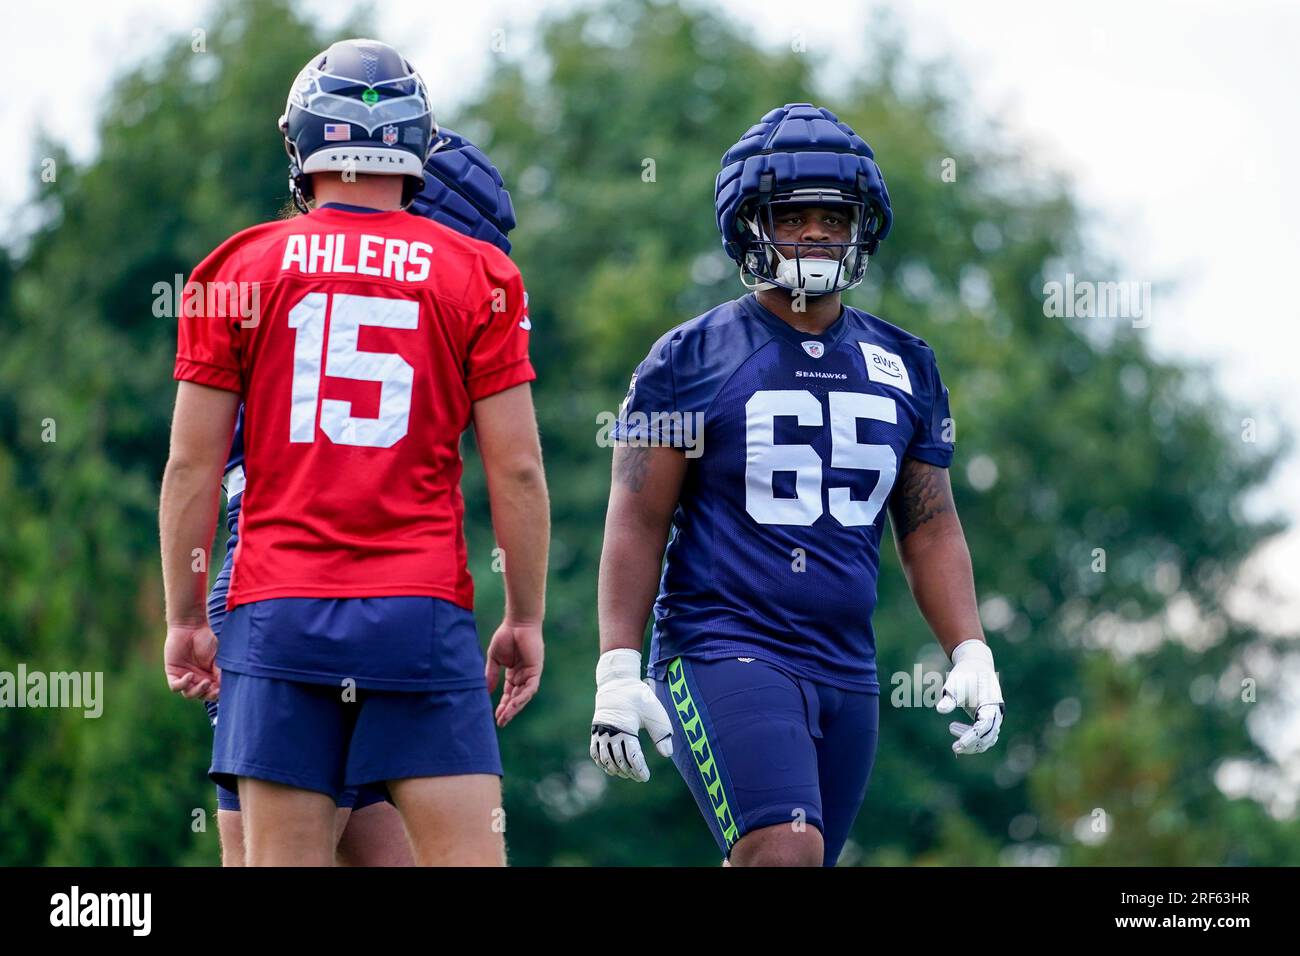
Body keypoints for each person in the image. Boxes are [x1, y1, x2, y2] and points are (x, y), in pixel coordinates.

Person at [159, 38, 548, 866]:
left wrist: (186, 614)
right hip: (419, 609)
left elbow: (191, 467)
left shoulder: (236, 267)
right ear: (415, 146)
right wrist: (526, 616)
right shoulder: (476, 274)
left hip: (274, 608)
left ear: (303, 143)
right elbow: (517, 468)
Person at [588, 103, 1004, 867]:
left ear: (862, 227)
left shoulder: (906, 364)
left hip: (847, 664)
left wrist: (969, 648)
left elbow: (928, 524)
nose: (816, 233)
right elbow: (637, 522)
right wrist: (616, 665)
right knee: (784, 851)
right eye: (792, 214)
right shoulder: (691, 358)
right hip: (725, 643)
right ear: (751, 224)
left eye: (833, 217)